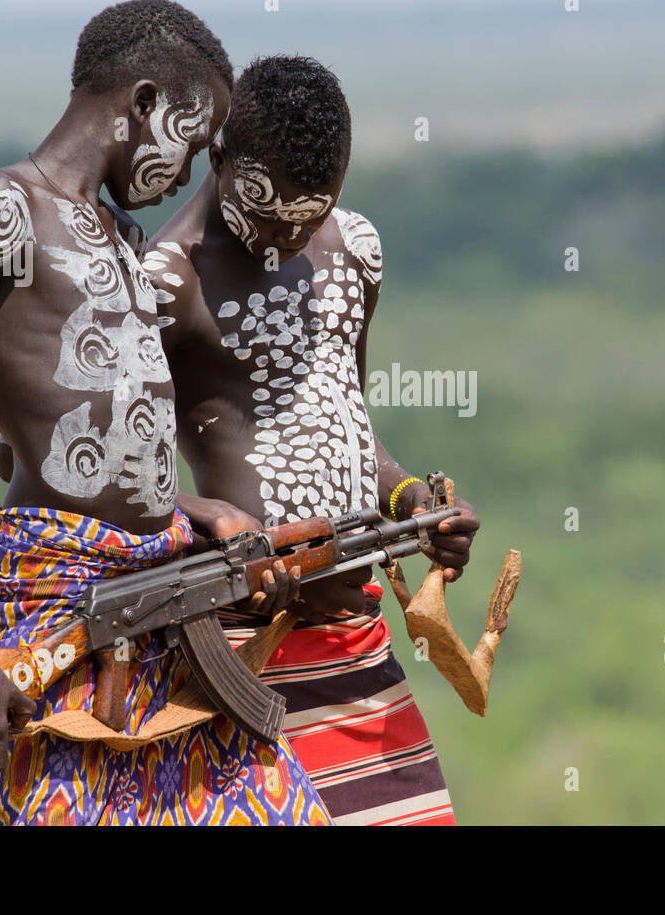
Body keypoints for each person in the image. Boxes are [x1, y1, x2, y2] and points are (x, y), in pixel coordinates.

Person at [0, 0, 328, 825]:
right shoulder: (0, 207)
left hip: (166, 600)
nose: (194, 171)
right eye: (194, 144)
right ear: (147, 103)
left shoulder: (123, 238)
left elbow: (119, 442)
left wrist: (202, 514)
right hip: (61, 605)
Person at [145, 55, 481, 825]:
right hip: (238, 647)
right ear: (219, 160)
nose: (286, 241)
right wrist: (215, 523)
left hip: (355, 635)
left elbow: (347, 425)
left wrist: (414, 503)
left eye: (309, 217)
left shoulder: (352, 249)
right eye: (267, 216)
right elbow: (116, 482)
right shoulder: (164, 283)